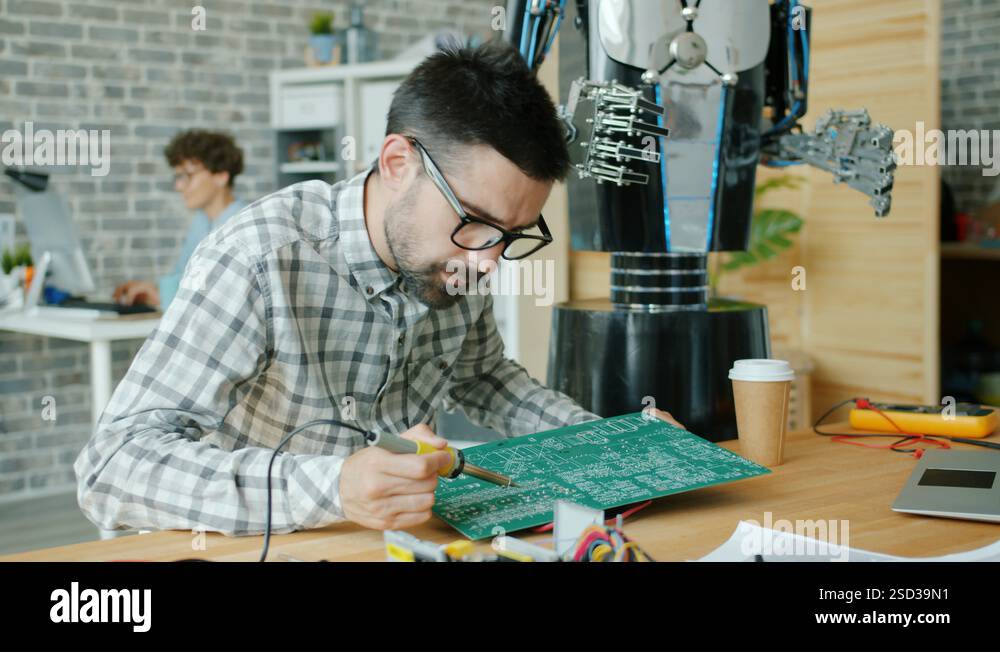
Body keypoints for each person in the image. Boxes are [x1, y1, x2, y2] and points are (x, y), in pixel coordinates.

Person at [76, 42, 682, 537]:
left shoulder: (461, 256)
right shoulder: (261, 257)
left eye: (513, 235)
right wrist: (334, 486)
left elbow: (485, 378)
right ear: (397, 163)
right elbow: (111, 467)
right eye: (475, 222)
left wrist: (611, 445)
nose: (490, 260)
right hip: (252, 544)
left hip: (393, 542)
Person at [112, 129, 247, 309]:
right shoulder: (201, 221)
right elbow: (184, 278)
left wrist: (160, 294)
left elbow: (218, 297)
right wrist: (153, 290)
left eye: (187, 176)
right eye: (177, 177)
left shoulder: (241, 226)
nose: (178, 186)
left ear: (221, 176)